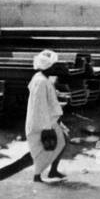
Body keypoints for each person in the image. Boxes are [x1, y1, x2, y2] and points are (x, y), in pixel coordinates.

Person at [25, 49, 67, 183]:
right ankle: (37, 176)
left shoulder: (40, 78)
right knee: (43, 149)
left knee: (61, 142)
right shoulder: (41, 81)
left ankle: (52, 170)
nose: (55, 67)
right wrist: (47, 126)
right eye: (53, 65)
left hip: (47, 120)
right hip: (42, 122)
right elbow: (40, 105)